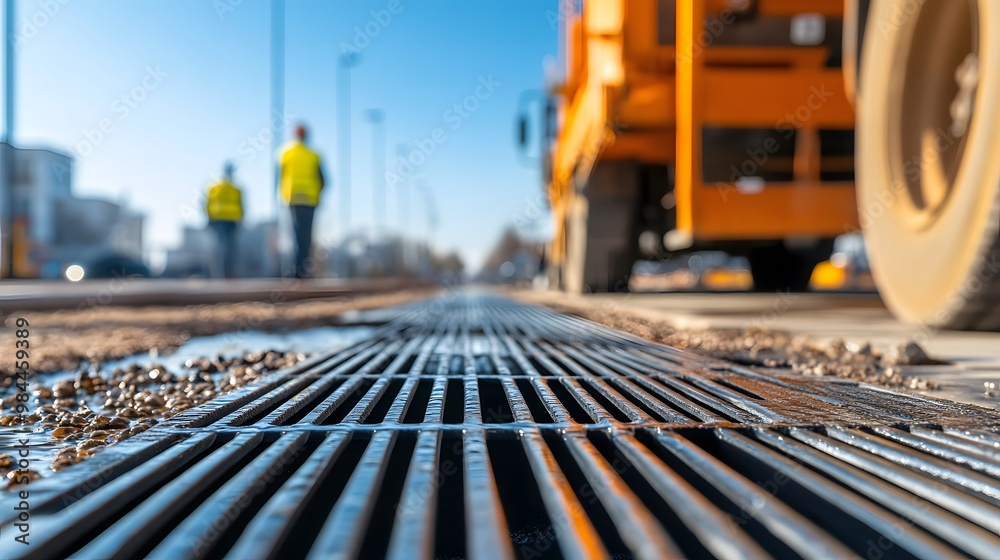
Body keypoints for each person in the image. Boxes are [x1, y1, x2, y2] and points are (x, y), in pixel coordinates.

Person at [278, 124, 326, 278]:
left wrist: (281, 195)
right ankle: (304, 270)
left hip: (293, 199)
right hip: (310, 200)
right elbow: (323, 180)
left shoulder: (286, 153)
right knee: (307, 236)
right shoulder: (314, 154)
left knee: (297, 234)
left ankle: (298, 271)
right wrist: (317, 195)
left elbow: (281, 177)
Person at [205, 162, 244, 278]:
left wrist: (209, 219)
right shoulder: (236, 189)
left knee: (221, 247)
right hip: (230, 221)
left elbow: (207, 204)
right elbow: (242, 206)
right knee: (229, 247)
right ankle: (226, 273)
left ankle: (221, 273)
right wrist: (241, 219)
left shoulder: (213, 187)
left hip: (218, 220)